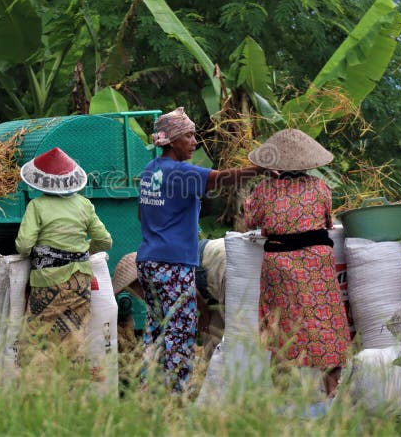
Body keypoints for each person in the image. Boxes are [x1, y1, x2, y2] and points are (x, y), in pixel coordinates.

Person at [136, 107, 266, 393]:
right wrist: (260, 169)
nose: (195, 142)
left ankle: (149, 391)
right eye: (190, 136)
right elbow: (222, 178)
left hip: (148, 261)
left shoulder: (151, 171)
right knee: (180, 330)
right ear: (171, 141)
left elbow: (141, 215)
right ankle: (174, 395)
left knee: (157, 328)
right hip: (173, 263)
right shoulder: (180, 172)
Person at [243, 128, 350, 397]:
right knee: (324, 323)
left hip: (280, 265)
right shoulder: (320, 187)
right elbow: (326, 223)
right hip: (316, 263)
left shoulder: (263, 190)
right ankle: (332, 390)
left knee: (283, 324)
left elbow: (249, 222)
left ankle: (280, 393)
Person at [15, 147, 112, 361]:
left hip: (47, 283)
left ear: (41, 181)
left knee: (39, 340)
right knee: (74, 338)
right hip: (80, 281)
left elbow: (23, 245)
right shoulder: (84, 205)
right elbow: (105, 240)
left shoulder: (36, 206)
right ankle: (72, 387)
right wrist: (85, 250)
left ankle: (42, 387)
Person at [112, 238, 226, 358]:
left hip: (216, 263)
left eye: (132, 289)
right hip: (217, 256)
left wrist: (204, 315)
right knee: (215, 331)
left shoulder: (156, 275)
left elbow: (189, 289)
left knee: (232, 330)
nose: (136, 295)